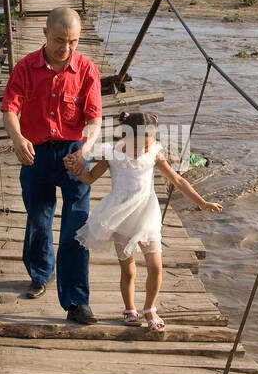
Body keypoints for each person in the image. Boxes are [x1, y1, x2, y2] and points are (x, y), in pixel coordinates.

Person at [73, 111, 223, 332]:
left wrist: (201, 202)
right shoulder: (111, 153)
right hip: (121, 217)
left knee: (155, 267)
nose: (142, 150)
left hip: (147, 216)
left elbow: (178, 180)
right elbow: (89, 178)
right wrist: (74, 170)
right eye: (138, 146)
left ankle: (150, 308)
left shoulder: (153, 153)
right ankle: (129, 309)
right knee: (129, 271)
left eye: (146, 145)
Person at [1, 6, 103, 324]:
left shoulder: (87, 70)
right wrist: (17, 139)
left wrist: (85, 150)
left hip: (73, 152)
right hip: (36, 151)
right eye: (60, 40)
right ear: (45, 34)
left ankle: (76, 300)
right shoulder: (25, 68)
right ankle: (40, 272)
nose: (66, 48)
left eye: (73, 41)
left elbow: (95, 118)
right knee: (39, 215)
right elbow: (9, 108)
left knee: (76, 225)